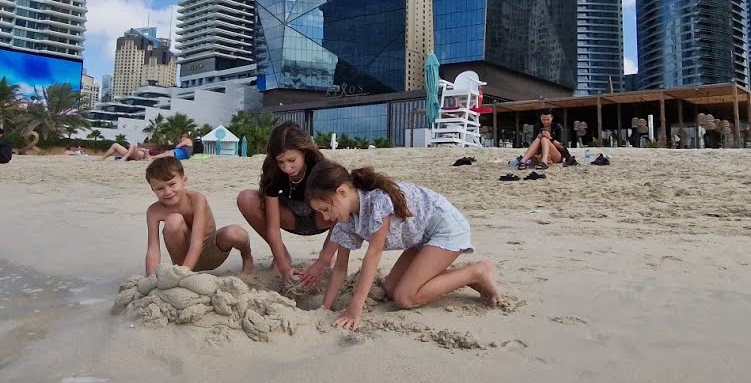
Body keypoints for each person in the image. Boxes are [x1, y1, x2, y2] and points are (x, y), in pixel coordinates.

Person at [306, 161, 499, 331]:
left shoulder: (377, 201)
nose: (325, 217)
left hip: (444, 227)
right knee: (390, 288)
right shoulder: (346, 219)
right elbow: (340, 269)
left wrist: (355, 309)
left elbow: (373, 255)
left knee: (405, 297)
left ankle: (476, 272)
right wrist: (325, 308)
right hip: (420, 237)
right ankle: (456, 274)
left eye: (325, 209)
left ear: (342, 191)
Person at [236, 122, 338, 288]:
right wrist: (284, 267)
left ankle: (327, 256)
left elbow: (341, 212)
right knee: (246, 198)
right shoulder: (273, 170)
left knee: (343, 203)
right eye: (281, 162)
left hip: (321, 217)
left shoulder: (321, 168)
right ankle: (282, 254)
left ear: (304, 151)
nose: (287, 168)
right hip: (291, 217)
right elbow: (273, 226)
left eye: (292, 160)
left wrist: (322, 261)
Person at [143, 157, 253, 275]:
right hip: (182, 258)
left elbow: (197, 241)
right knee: (173, 220)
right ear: (152, 189)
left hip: (210, 252)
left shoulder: (197, 199)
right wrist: (151, 277)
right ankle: (183, 269)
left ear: (184, 180)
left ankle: (247, 257)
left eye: (172, 184)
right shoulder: (153, 211)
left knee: (235, 232)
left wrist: (183, 274)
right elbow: (153, 248)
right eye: (160, 188)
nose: (168, 192)